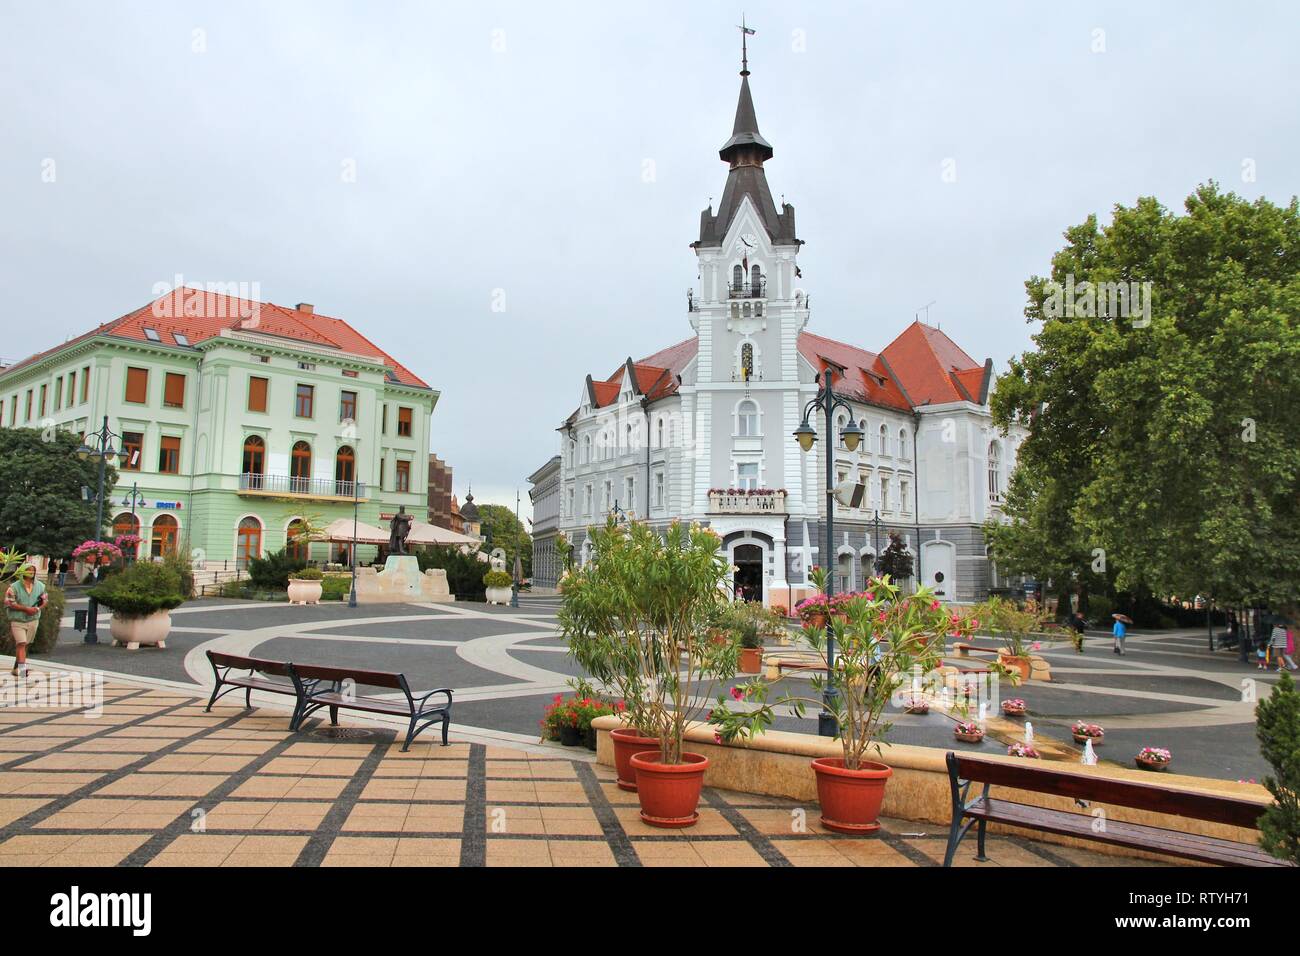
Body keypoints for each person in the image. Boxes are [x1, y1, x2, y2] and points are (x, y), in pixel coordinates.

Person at [4, 564, 47, 678]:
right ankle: (23, 670)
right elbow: (9, 602)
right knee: (21, 642)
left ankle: (16, 667)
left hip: (33, 619)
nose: (31, 573)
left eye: (33, 571)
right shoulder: (14, 587)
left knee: (24, 644)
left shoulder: (40, 586)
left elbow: (44, 600)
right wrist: (25, 608)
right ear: (23, 572)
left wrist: (37, 608)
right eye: (28, 570)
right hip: (18, 619)